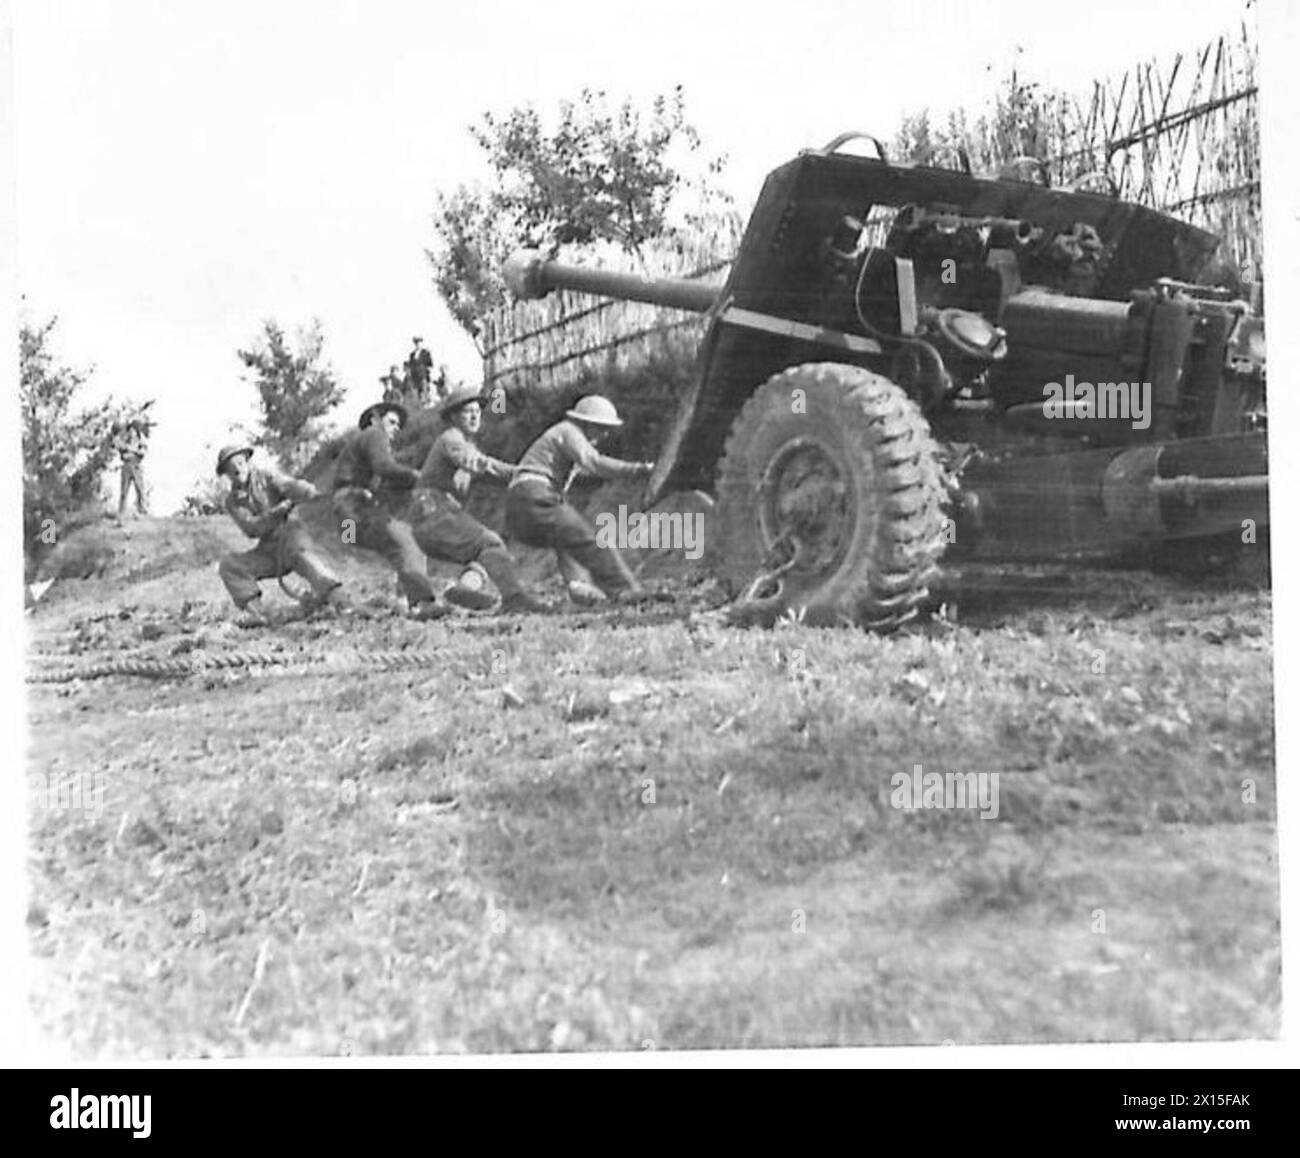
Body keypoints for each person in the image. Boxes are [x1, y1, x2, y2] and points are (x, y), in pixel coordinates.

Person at [504, 395, 656, 604]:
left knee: (567, 538)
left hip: (519, 504)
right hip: (535, 495)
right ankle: (625, 590)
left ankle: (580, 589)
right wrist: (637, 469)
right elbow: (594, 462)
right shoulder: (569, 431)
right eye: (600, 427)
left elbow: (586, 472)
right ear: (585, 423)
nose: (604, 434)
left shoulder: (558, 439)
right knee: (588, 538)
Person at [412, 386, 549, 615]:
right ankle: (515, 599)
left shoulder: (464, 443)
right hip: (432, 512)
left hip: (433, 514)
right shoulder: (452, 439)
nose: (475, 416)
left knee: (488, 549)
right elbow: (481, 464)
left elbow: (485, 475)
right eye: (468, 412)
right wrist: (521, 472)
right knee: (490, 544)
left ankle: (464, 590)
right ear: (454, 417)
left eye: (477, 411)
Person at [331, 401, 449, 620]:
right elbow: (385, 468)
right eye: (392, 422)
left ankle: (402, 600)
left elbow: (386, 480)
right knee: (403, 540)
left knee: (404, 538)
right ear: (375, 418)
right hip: (352, 507)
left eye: (398, 425)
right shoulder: (374, 435)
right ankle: (421, 602)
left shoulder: (361, 446)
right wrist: (418, 476)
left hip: (346, 515)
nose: (395, 428)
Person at [215, 445, 356, 626]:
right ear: (226, 473)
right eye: (230, 468)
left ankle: (342, 601)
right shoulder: (232, 501)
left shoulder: (267, 477)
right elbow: (250, 528)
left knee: (303, 555)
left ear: (247, 462)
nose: (237, 470)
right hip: (269, 550)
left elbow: (291, 486)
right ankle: (260, 615)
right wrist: (276, 512)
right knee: (229, 565)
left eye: (240, 463)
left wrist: (313, 493)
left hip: (291, 534)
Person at [113, 419, 149, 518]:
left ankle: (141, 510)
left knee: (139, 488)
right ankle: (121, 512)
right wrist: (130, 449)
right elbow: (118, 444)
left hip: (136, 464)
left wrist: (132, 449)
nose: (133, 431)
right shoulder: (124, 437)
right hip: (127, 464)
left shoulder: (140, 438)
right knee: (124, 490)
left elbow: (143, 451)